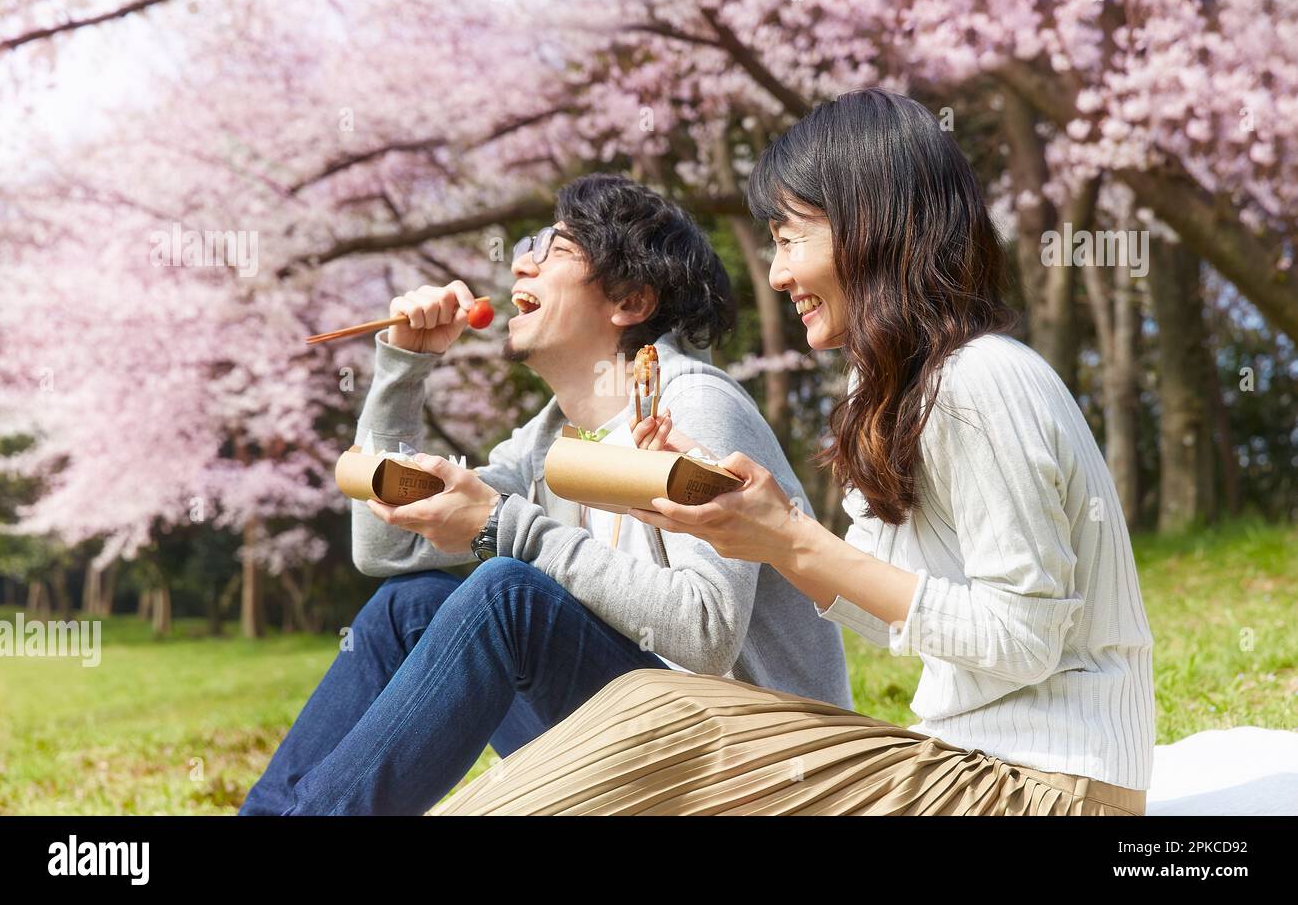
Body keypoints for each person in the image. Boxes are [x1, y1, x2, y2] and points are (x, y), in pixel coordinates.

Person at [432, 89, 1157, 816]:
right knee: (653, 704)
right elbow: (892, 616)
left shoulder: (981, 380)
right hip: (962, 762)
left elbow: (1022, 640)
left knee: (660, 706)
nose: (777, 276)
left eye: (788, 239)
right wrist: (762, 528)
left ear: (867, 226)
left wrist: (791, 540)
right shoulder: (902, 392)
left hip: (1043, 788)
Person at [239, 173, 852, 816]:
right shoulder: (548, 438)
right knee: (408, 605)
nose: (523, 262)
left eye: (557, 251)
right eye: (533, 244)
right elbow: (385, 548)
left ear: (631, 301)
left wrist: (509, 527)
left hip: (754, 775)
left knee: (507, 593)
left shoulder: (692, 403)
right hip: (642, 751)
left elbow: (707, 631)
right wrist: (403, 372)